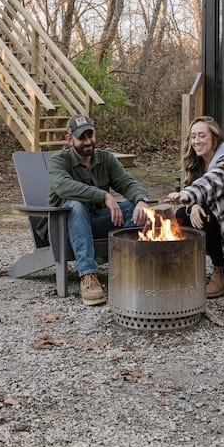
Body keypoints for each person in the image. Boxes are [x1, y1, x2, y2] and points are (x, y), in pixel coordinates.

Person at [47, 114, 150, 306]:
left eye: (90, 135)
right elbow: (63, 186)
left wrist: (141, 201)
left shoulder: (105, 159)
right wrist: (103, 196)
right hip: (63, 229)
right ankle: (88, 276)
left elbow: (127, 183)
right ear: (70, 140)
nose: (88, 141)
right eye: (82, 137)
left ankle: (135, 268)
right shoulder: (58, 161)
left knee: (131, 208)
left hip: (94, 224)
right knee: (75, 206)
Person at [165, 116, 224, 298]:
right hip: (217, 218)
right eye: (193, 137)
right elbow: (201, 194)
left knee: (205, 218)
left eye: (201, 136)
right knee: (183, 214)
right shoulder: (197, 161)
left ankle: (222, 274)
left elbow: (212, 182)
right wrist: (194, 205)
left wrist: (188, 195)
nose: (196, 141)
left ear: (214, 137)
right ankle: (190, 269)